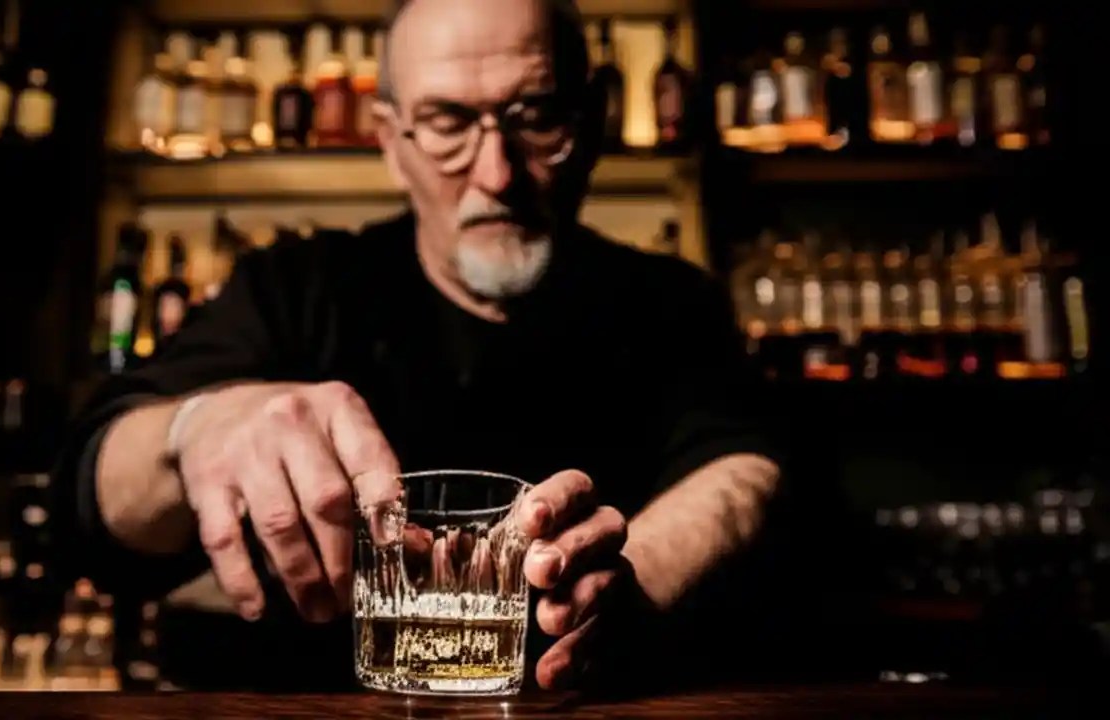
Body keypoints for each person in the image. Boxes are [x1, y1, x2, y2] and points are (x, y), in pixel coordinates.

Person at [53, 0, 791, 693]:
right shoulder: (292, 288)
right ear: (389, 142)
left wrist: (633, 575)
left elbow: (747, 465)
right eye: (447, 122)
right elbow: (85, 507)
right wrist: (193, 432)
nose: (496, 173)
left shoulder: (672, 301)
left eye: (535, 117)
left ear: (590, 121)